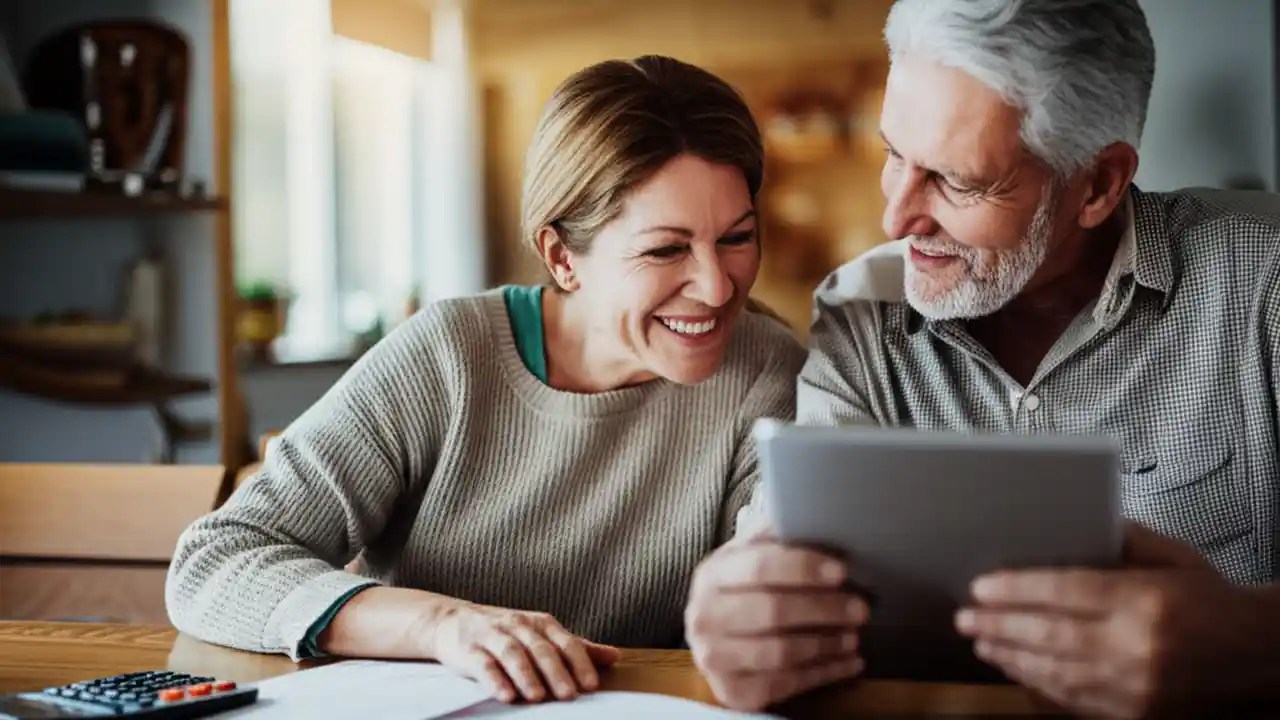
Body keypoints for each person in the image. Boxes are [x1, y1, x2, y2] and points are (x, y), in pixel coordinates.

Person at [685, 1, 1280, 716]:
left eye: (957, 180)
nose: (896, 219)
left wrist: (1257, 641)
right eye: (892, 155)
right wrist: (739, 614)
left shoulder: (1264, 283)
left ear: (1097, 185)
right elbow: (778, 556)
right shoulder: (859, 312)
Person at [167, 55, 805, 706]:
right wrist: (441, 624)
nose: (716, 285)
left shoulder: (767, 376)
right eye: (666, 249)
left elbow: (770, 605)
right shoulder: (449, 356)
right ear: (562, 256)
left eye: (737, 237)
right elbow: (215, 560)